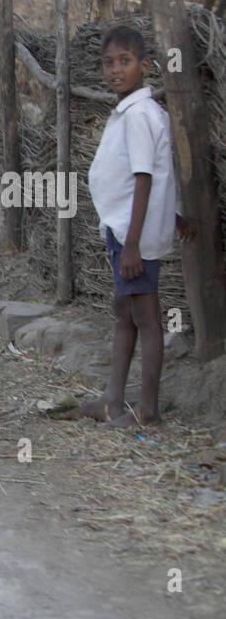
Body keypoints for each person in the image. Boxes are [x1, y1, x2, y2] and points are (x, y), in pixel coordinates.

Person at [62, 26, 195, 428]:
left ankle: (148, 410)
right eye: (108, 62)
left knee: (147, 318)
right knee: (125, 312)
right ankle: (113, 398)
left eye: (125, 61)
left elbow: (144, 179)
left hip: (131, 236)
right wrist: (168, 217)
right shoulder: (135, 112)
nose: (115, 70)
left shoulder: (138, 115)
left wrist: (134, 244)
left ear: (145, 66)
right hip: (124, 231)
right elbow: (155, 174)